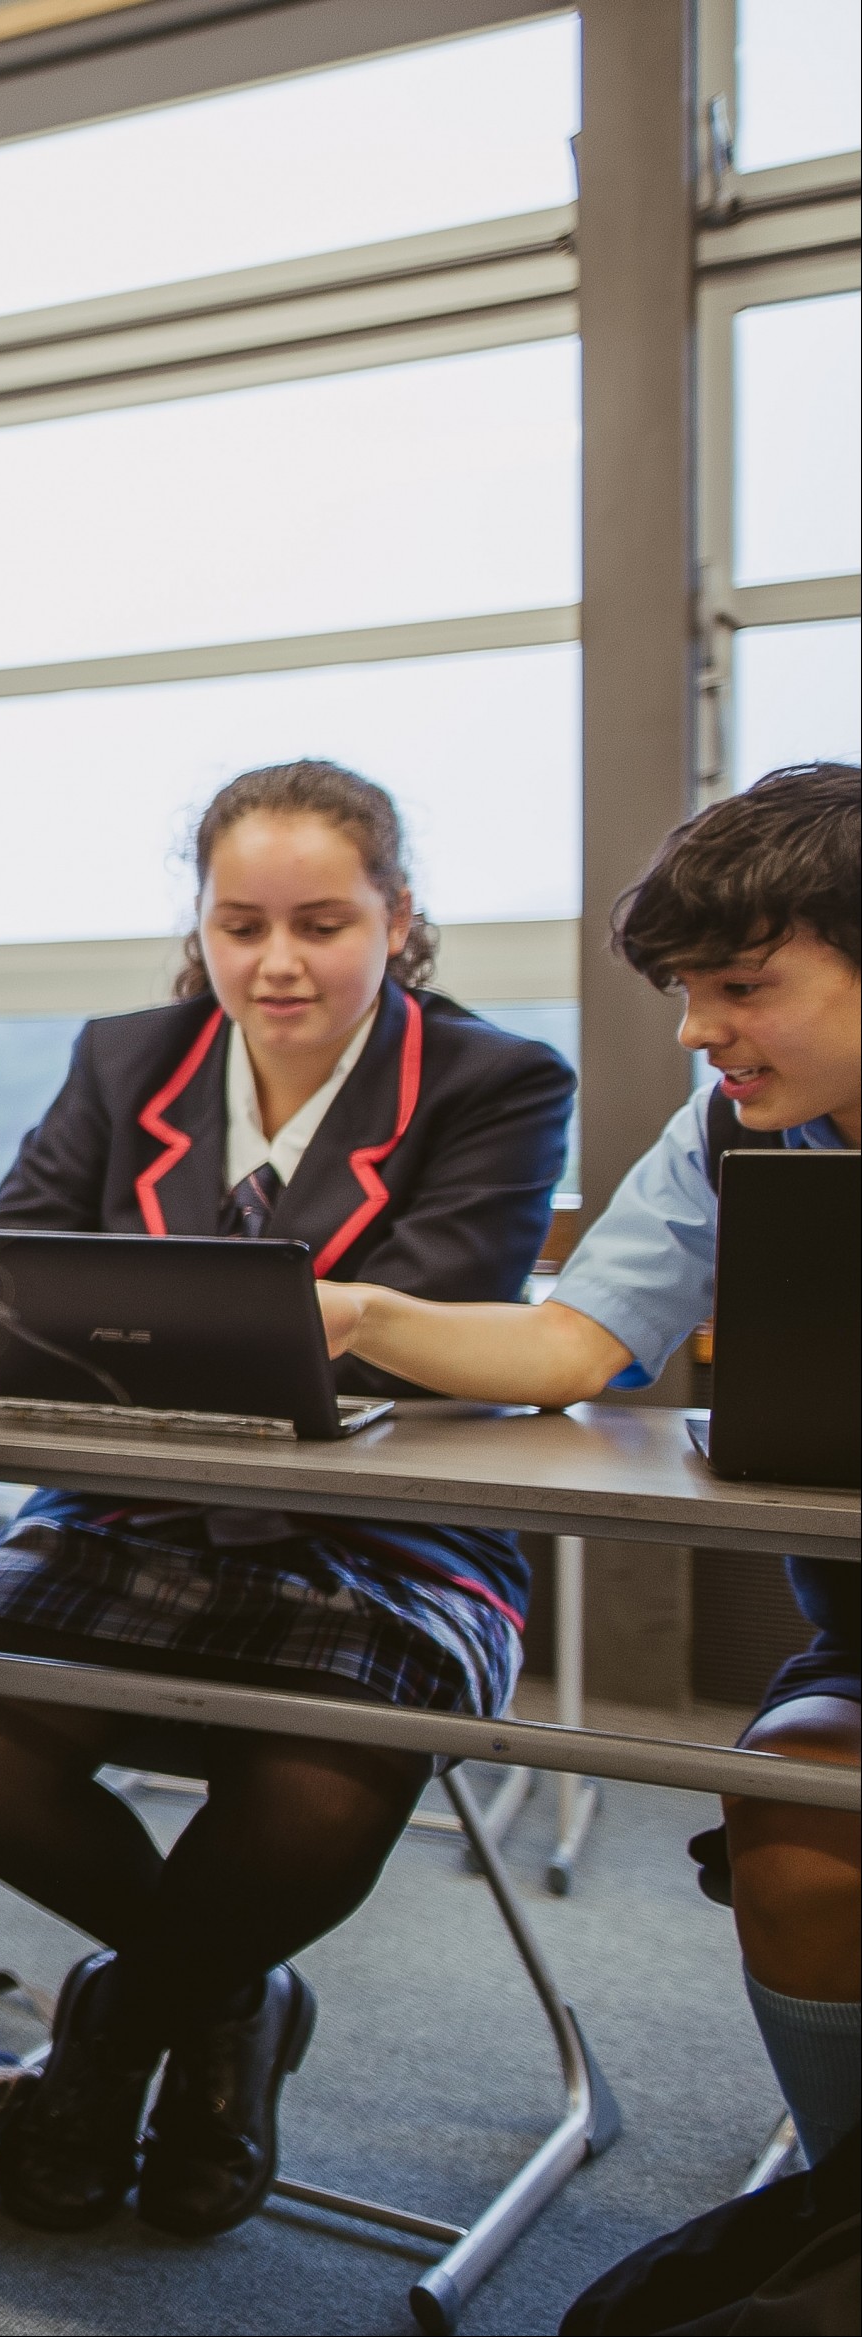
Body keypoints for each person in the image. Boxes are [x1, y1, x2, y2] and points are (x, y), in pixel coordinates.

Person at [0, 762, 574, 2237]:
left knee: (314, 1792)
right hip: (132, 1511)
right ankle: (230, 2001)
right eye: (240, 926)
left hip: (390, 1530)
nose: (276, 962)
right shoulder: (126, 1061)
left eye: (321, 924)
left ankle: (116, 2023)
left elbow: (426, 1324)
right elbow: (14, 1280)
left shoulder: (494, 1081)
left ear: (397, 920)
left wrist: (146, 1332)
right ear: (203, 926)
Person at [323, 762, 858, 2170]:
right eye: (685, 991)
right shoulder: (728, 1133)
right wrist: (361, 1315)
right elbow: (575, 1343)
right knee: (800, 1814)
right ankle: (840, 2206)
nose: (697, 1030)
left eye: (740, 988)